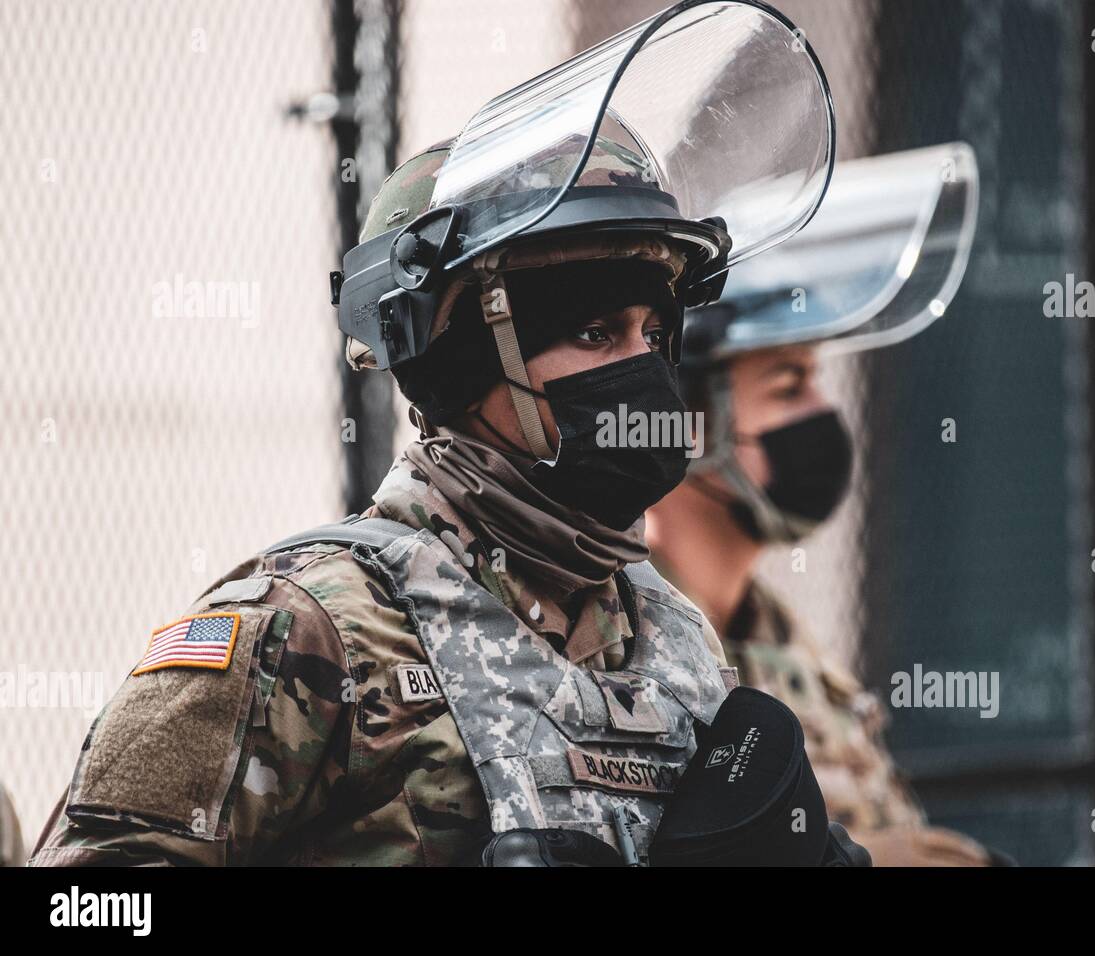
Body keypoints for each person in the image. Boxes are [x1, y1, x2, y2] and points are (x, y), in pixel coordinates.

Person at [29, 2, 847, 866]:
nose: (642, 371)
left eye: (653, 334)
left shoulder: (672, 641)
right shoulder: (308, 631)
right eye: (597, 333)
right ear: (463, 365)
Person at [646, 148, 993, 866]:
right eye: (788, 386)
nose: (822, 412)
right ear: (690, 424)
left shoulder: (783, 642)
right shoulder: (624, 651)